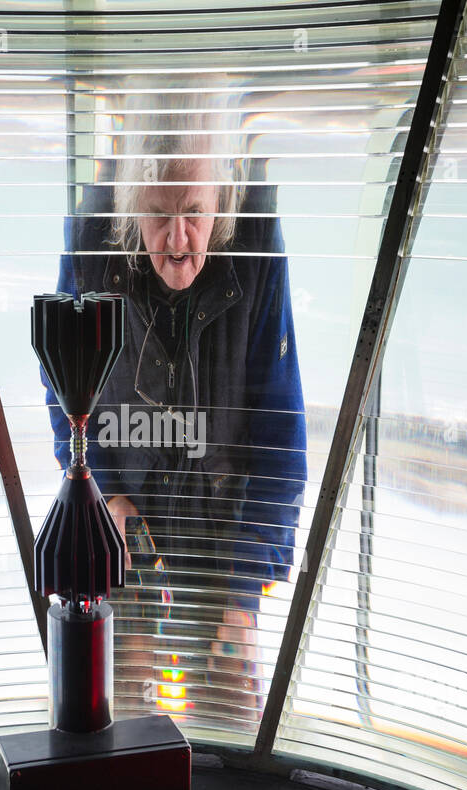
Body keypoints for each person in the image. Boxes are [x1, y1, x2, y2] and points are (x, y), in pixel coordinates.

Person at [41, 84, 307, 728]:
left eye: (195, 209)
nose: (180, 238)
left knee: (235, 709)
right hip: (127, 531)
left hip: (223, 528)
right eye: (157, 214)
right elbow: (61, 382)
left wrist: (243, 599)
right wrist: (104, 491)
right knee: (120, 706)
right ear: (131, 208)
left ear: (224, 201)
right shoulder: (93, 243)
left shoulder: (257, 255)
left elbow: (279, 434)